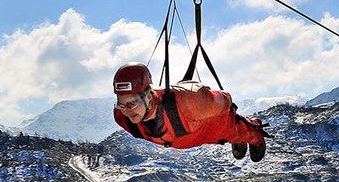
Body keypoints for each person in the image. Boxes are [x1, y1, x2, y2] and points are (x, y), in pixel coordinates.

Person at [112, 63, 268, 161]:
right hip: (188, 133)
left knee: (241, 133)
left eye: (132, 104)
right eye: (121, 104)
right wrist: (126, 107)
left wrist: (206, 99)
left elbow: (225, 99)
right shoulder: (123, 117)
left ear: (148, 96)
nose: (127, 111)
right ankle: (238, 138)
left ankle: (254, 129)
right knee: (233, 135)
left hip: (214, 125)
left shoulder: (192, 102)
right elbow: (125, 111)